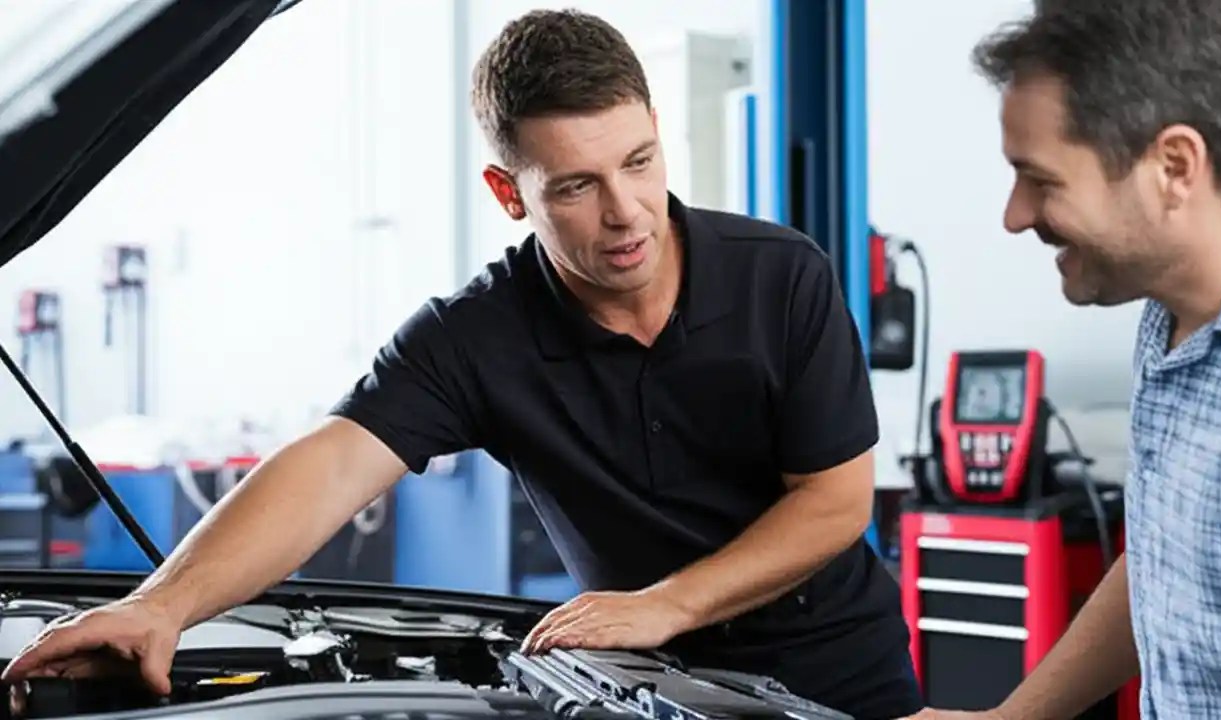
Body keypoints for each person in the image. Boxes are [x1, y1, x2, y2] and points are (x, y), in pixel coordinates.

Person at [1, 9, 923, 719]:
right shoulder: (474, 334)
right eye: (576, 186)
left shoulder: (783, 277)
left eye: (639, 162)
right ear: (507, 192)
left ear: (655, 131)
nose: (627, 211)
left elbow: (833, 504)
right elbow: (329, 468)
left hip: (837, 678)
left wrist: (665, 604)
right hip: (637, 686)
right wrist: (163, 607)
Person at [901, 1, 1221, 718]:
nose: (1014, 215)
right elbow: (1165, 565)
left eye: (1040, 180)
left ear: (1173, 166)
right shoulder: (1167, 318)